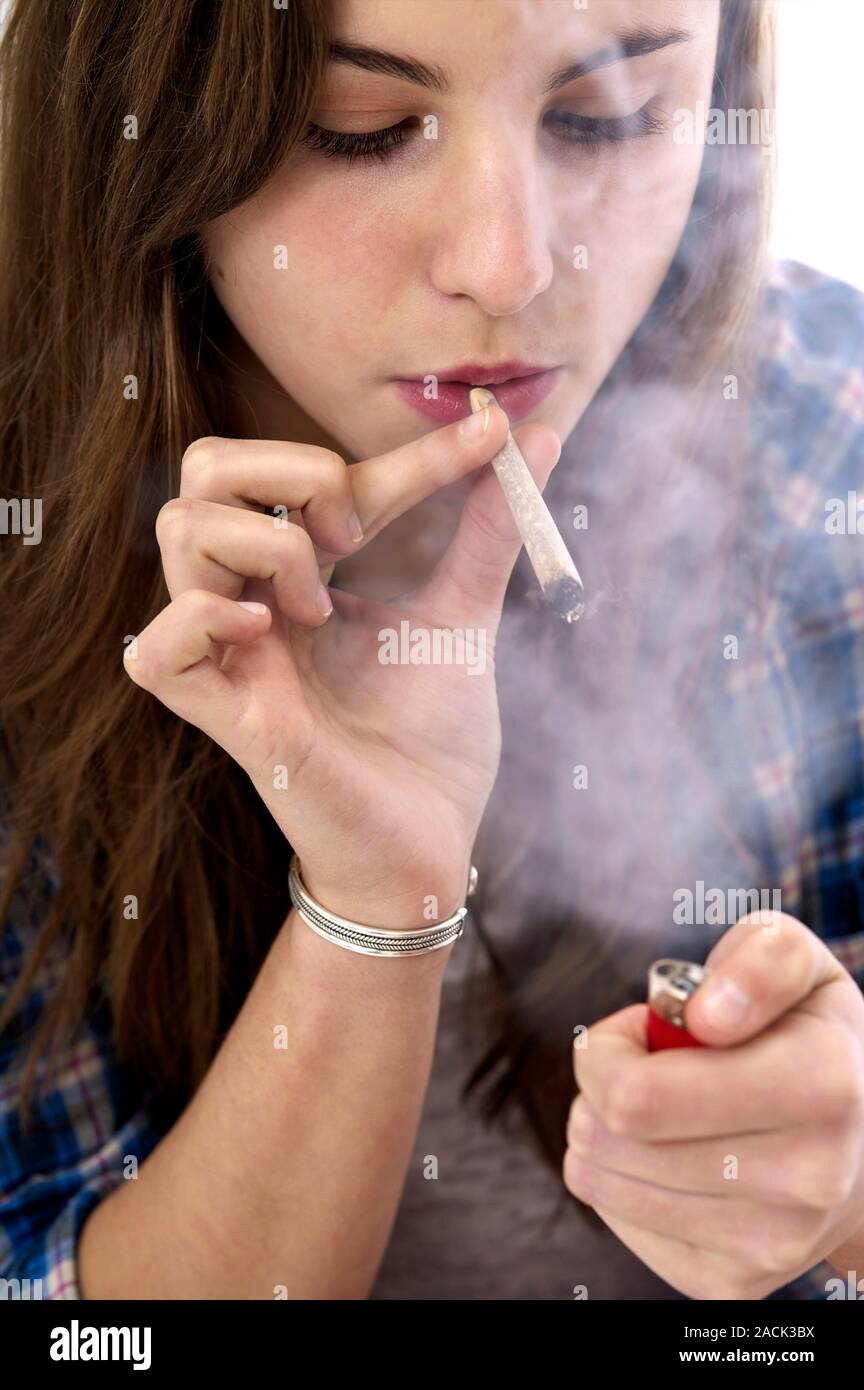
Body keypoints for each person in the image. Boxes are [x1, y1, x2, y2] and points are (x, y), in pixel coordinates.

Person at [2, 0, 863, 1301]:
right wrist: (370, 901)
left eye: (609, 114)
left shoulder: (826, 434)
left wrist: (842, 1192)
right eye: (360, 128)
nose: (510, 264)